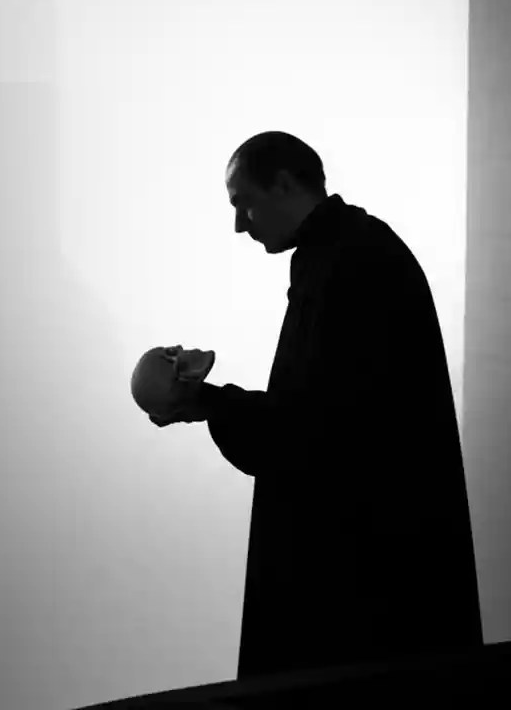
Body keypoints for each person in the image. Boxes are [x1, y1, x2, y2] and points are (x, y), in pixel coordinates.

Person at [151, 131, 483, 679]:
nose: (240, 225)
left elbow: (311, 435)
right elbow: (318, 416)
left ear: (284, 183)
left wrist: (207, 402)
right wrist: (209, 403)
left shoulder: (349, 262)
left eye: (244, 203)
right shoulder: (350, 250)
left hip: (364, 574)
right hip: (381, 559)